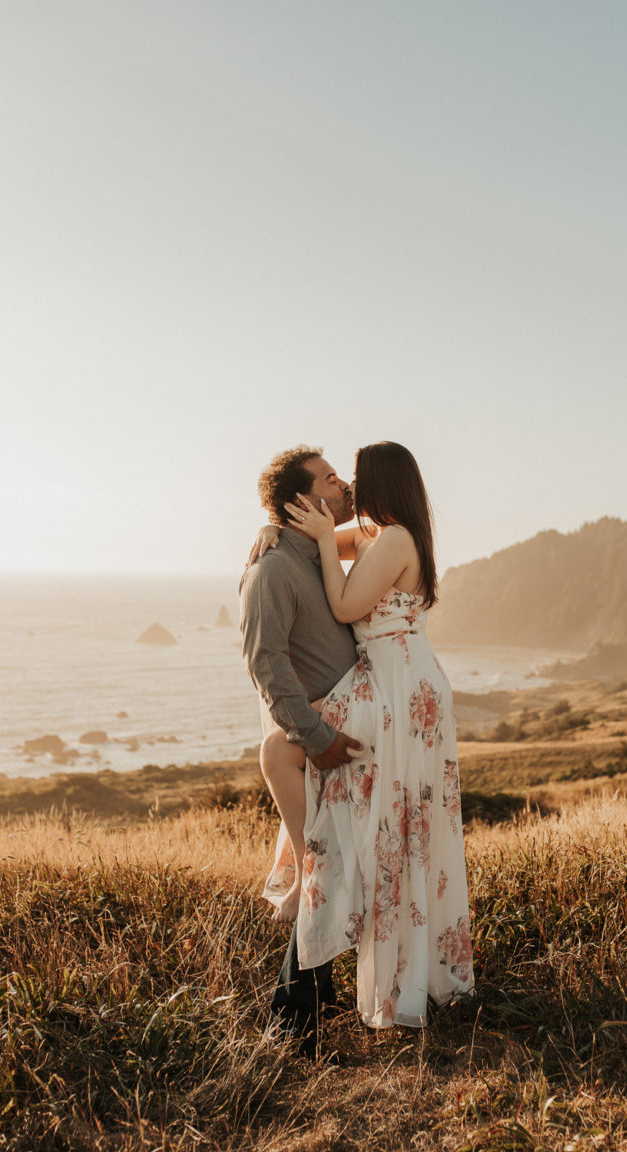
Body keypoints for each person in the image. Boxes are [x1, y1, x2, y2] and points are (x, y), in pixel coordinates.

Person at [252, 441, 474, 1030]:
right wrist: (273, 531)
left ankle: (310, 876)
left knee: (282, 750)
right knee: (394, 825)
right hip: (392, 679)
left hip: (396, 683)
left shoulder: (396, 539)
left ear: (378, 481)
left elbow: (348, 605)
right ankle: (316, 879)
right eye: (334, 479)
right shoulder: (381, 534)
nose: (347, 487)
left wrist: (324, 540)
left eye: (351, 478)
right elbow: (306, 536)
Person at [239, 445, 363, 1054]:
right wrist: (318, 741)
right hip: (324, 743)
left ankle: (318, 1006)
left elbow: (380, 505)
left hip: (352, 732)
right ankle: (291, 1027)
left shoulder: (320, 551)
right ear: (298, 500)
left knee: (336, 865)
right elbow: (267, 663)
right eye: (330, 478)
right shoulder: (271, 570)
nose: (342, 486)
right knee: (325, 866)